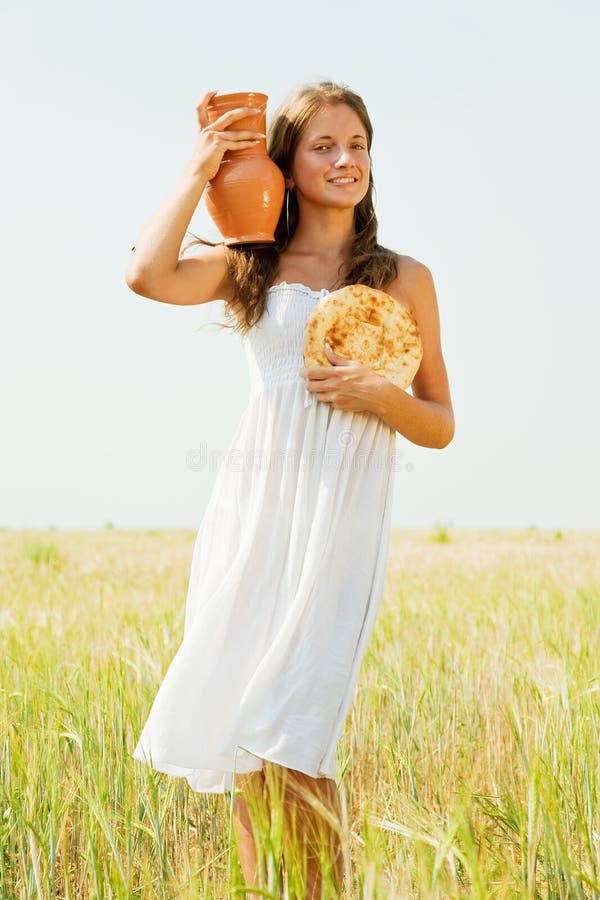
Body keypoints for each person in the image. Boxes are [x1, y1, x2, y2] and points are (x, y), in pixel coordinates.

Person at [125, 80, 454, 899]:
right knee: (246, 735)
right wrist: (200, 170)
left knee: (298, 736)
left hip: (338, 529)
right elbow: (146, 274)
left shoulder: (404, 278)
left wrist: (380, 397)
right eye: (323, 146)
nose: (346, 160)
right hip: (254, 522)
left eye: (358, 145)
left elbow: (440, 422)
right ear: (287, 163)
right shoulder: (253, 265)